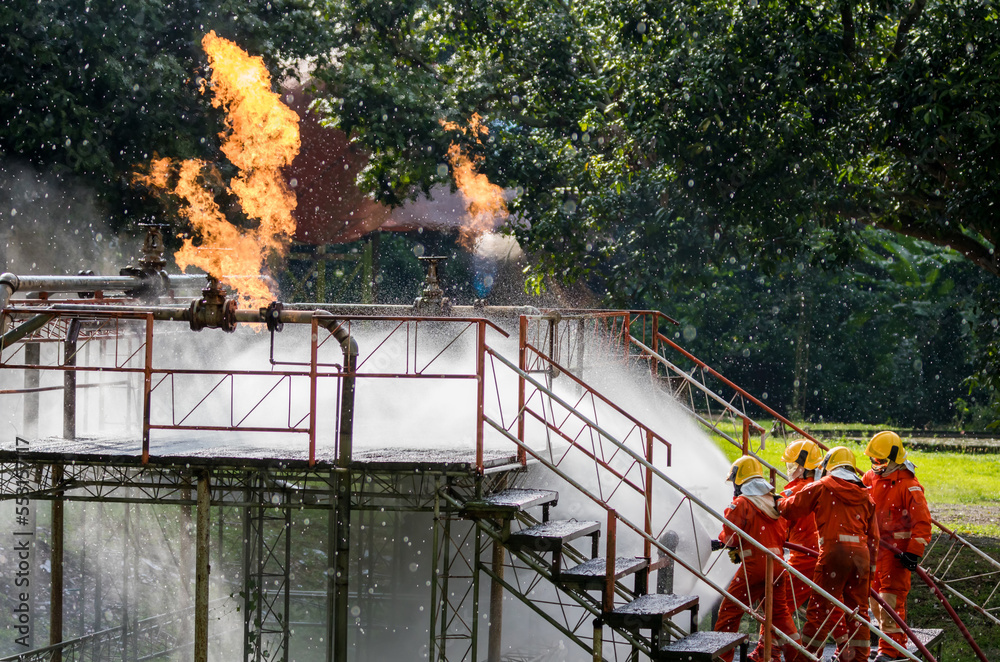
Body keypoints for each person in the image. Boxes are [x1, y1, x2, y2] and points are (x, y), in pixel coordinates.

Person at [779, 447, 878, 662]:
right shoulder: (865, 495)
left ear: (828, 467)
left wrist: (777, 501)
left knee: (819, 609)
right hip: (861, 558)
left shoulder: (823, 486)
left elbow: (792, 509)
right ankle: (858, 658)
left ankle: (807, 658)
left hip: (833, 554)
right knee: (858, 612)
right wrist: (870, 569)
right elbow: (874, 538)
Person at [712, 456, 803, 662]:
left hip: (755, 568)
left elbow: (732, 538)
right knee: (779, 614)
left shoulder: (742, 503)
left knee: (730, 610)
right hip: (778, 566)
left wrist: (724, 541)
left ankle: (721, 657)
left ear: (740, 479)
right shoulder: (775, 501)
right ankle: (797, 656)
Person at [863, 431, 933, 662]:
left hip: (896, 555)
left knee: (890, 603)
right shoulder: (871, 478)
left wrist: (913, 553)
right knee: (874, 601)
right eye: (872, 460)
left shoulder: (909, 487)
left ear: (894, 459)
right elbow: (855, 490)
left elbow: (922, 523)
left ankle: (890, 651)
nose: (875, 466)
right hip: (874, 552)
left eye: (880, 461)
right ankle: (892, 644)